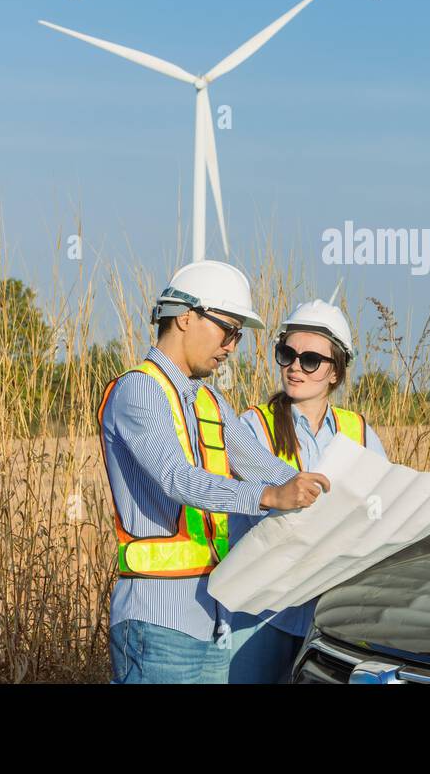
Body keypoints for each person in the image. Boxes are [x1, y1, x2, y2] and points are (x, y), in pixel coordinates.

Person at [97, 261, 330, 684]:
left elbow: (264, 467)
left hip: (212, 618)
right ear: (186, 317)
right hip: (157, 621)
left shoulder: (209, 401)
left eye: (238, 335)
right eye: (228, 330)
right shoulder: (139, 389)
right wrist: (268, 498)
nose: (232, 346)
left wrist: (332, 498)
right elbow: (176, 478)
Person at [227, 299, 387, 683]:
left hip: (326, 614)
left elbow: (384, 503)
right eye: (287, 354)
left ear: (335, 372)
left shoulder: (358, 431)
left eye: (311, 359)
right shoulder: (252, 427)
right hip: (259, 612)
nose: (295, 366)